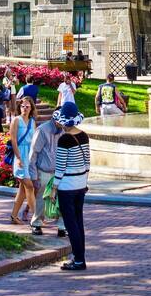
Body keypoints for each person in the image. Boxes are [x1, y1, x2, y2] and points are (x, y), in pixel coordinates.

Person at [52, 101, 90, 271]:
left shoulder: (64, 140)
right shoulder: (84, 135)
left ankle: (78, 260)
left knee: (70, 224)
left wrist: (54, 188)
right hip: (81, 184)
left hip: (67, 186)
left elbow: (60, 167)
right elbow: (88, 162)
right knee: (79, 222)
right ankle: (80, 257)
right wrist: (85, 179)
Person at [27, 107, 65, 238]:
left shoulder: (65, 130)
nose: (64, 124)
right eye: (62, 121)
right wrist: (34, 175)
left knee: (62, 199)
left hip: (59, 171)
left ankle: (61, 226)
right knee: (42, 198)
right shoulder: (42, 130)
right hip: (43, 170)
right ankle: (36, 223)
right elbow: (33, 154)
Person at [8, 96, 38, 225]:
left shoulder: (32, 122)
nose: (24, 108)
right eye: (22, 106)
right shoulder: (16, 120)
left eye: (27, 106)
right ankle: (37, 217)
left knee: (22, 190)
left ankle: (14, 216)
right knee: (29, 186)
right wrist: (19, 157)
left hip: (30, 157)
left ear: (31, 108)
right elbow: (13, 140)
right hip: (20, 155)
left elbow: (35, 140)